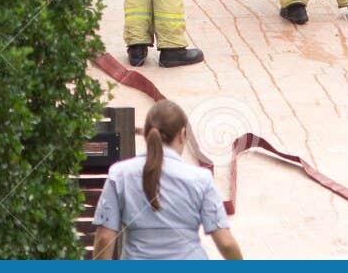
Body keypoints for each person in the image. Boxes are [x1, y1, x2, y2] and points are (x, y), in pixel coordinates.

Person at [90, 101, 243, 260]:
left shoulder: (119, 174)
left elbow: (104, 238)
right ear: (182, 135)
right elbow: (226, 244)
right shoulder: (201, 179)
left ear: (145, 135)